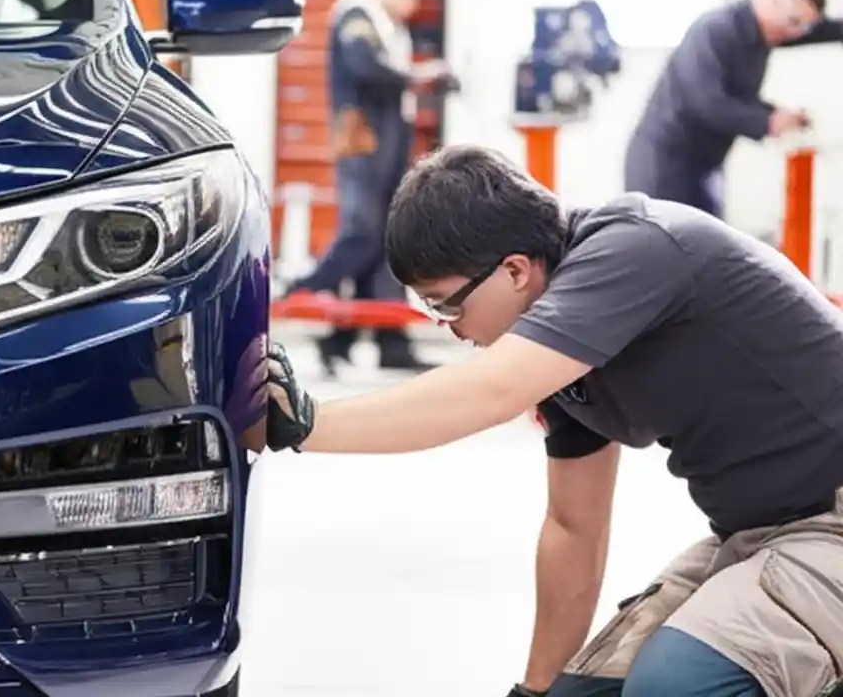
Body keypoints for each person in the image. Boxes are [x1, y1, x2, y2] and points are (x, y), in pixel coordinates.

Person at [266, 144, 843, 697]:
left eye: (446, 304)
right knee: (584, 693)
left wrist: (308, 423)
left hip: (830, 518)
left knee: (677, 687)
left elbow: (493, 390)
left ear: (515, 270)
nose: (447, 326)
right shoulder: (569, 361)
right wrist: (536, 690)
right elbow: (575, 525)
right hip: (758, 534)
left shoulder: (634, 249)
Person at [284, 0, 455, 374]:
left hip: (389, 144)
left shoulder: (389, 23)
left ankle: (373, 342)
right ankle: (303, 289)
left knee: (384, 244)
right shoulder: (358, 13)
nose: (414, 2)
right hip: (365, 144)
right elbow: (364, 64)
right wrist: (419, 75)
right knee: (364, 232)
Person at [624, 0, 841, 220]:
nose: (795, 33)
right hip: (665, 168)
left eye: (804, 28)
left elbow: (823, 31)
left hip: (704, 167)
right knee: (666, 251)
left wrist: (775, 115)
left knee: (709, 250)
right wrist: (768, 121)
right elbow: (706, 102)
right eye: (794, 22)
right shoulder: (716, 29)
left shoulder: (762, 34)